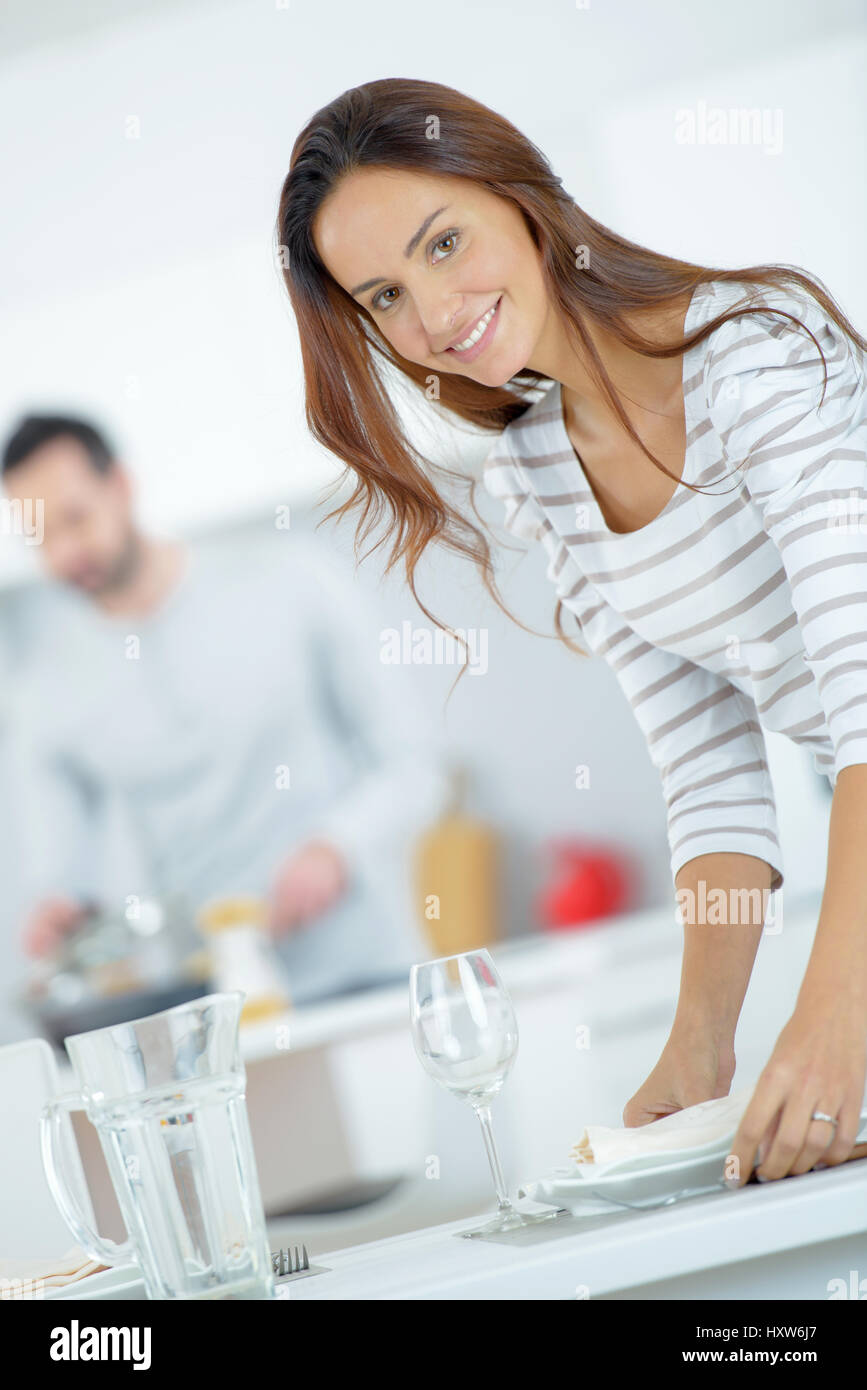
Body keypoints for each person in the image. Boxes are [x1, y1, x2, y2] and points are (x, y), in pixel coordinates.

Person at [274, 76, 867, 1185]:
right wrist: (698, 1050)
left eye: (444, 242)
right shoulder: (536, 472)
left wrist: (836, 1008)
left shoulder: (753, 354)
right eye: (386, 296)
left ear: (520, 195)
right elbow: (709, 771)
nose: (432, 315)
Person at [1, 412, 448, 1004]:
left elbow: (415, 765)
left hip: (367, 971)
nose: (64, 554)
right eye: (40, 538)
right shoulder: (45, 683)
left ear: (122, 486)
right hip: (212, 1006)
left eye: (76, 519)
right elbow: (61, 865)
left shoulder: (288, 580)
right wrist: (58, 907)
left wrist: (336, 846)